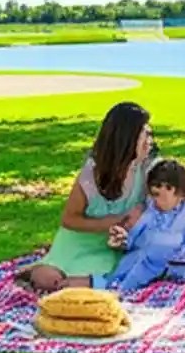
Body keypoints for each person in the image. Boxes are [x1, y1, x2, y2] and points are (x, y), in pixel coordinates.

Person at [20, 101, 161, 293]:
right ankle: (41, 268)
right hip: (80, 241)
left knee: (91, 280)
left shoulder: (148, 168)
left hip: (115, 247)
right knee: (47, 280)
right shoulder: (93, 173)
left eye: (150, 134)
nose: (149, 141)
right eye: (144, 135)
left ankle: (70, 278)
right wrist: (113, 222)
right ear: (126, 138)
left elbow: (175, 190)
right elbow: (69, 219)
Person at [96, 159, 185, 291]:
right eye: (155, 195)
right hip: (146, 261)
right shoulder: (150, 212)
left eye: (165, 192)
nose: (158, 200)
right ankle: (124, 288)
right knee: (134, 268)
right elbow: (134, 239)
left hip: (172, 264)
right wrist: (123, 240)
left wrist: (180, 253)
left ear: (179, 194)